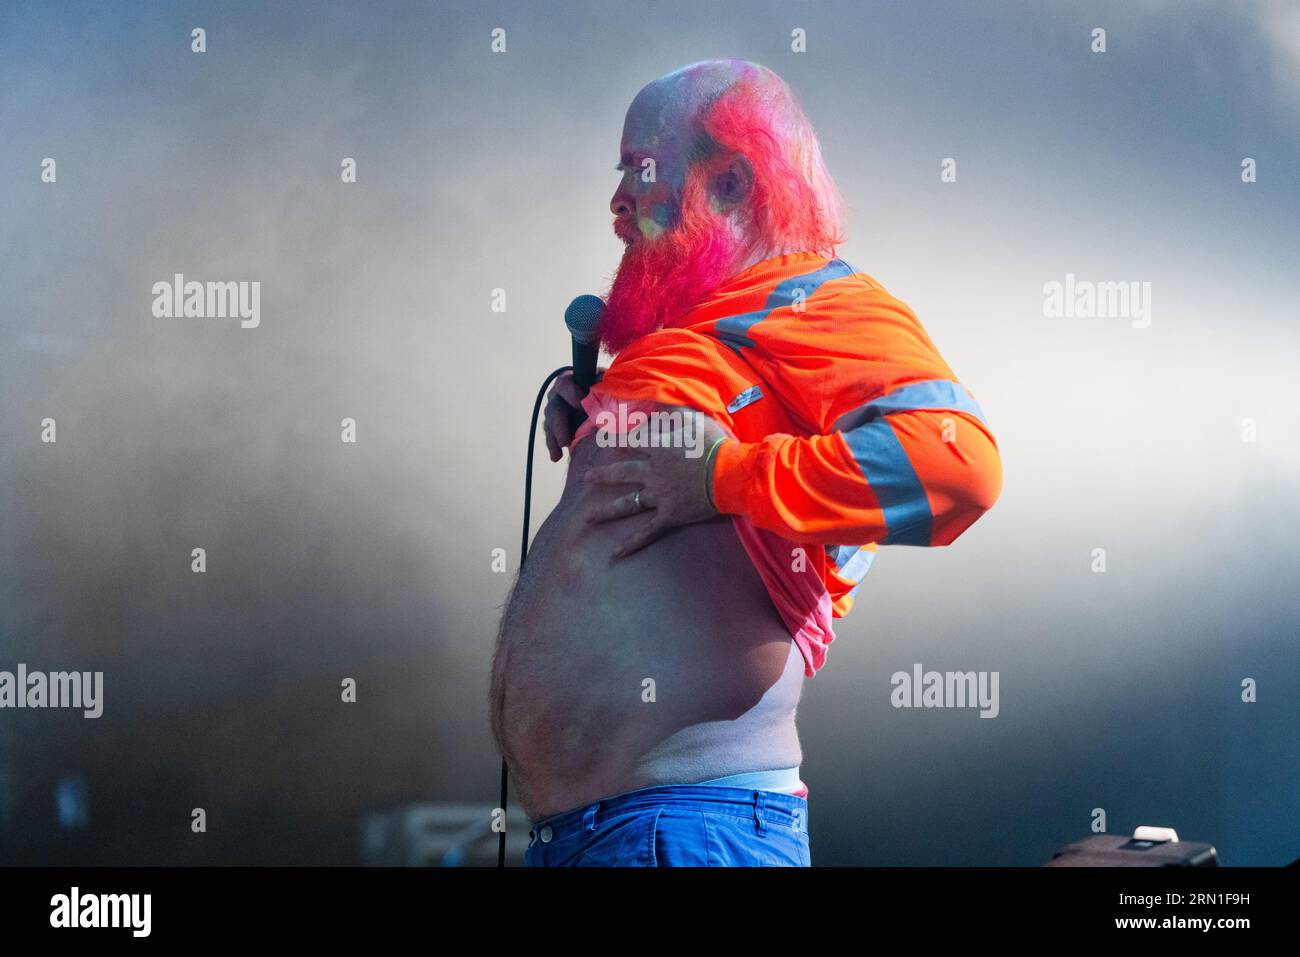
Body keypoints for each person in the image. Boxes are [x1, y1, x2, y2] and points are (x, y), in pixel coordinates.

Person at [489, 59, 1002, 866]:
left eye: (640, 169)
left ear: (729, 181)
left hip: (686, 827)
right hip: (604, 834)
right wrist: (601, 414)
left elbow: (957, 468)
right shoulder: (702, 341)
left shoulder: (817, 299)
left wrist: (719, 478)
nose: (617, 201)